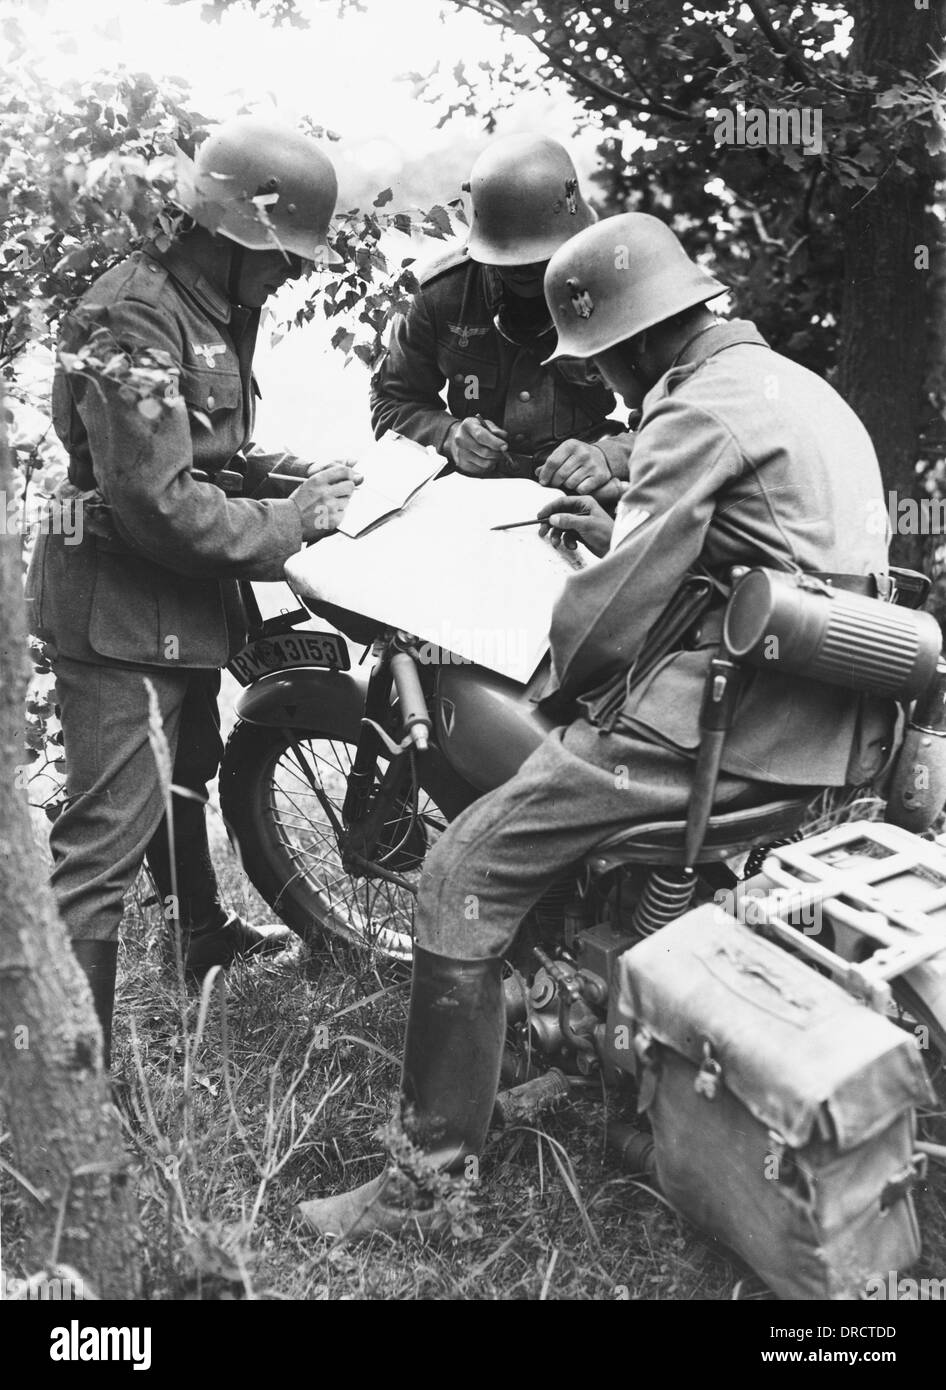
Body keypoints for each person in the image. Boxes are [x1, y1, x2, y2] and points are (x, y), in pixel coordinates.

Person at [299, 211, 892, 1240]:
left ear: (638, 338)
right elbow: (757, 549)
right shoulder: (795, 389)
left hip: (719, 740)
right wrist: (620, 527)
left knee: (463, 871)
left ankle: (425, 1186)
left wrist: (553, 673)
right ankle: (541, 1038)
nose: (605, 383)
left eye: (602, 360)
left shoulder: (692, 413)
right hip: (835, 733)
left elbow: (609, 619)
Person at [25, 116, 359, 1066]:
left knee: (187, 768)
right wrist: (290, 527)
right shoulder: (132, 317)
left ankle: (200, 932)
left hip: (177, 606)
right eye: (283, 255)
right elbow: (155, 501)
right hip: (122, 614)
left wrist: (290, 479)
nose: (294, 275)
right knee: (100, 847)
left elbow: (211, 451)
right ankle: (64, 1084)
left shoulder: (210, 301)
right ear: (230, 233)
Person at [370, 133, 634, 501]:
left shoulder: (618, 289)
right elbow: (392, 403)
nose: (523, 267)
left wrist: (611, 456)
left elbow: (677, 412)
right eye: (509, 254)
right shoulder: (438, 295)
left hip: (589, 495)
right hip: (477, 498)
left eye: (538, 253)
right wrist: (446, 435)